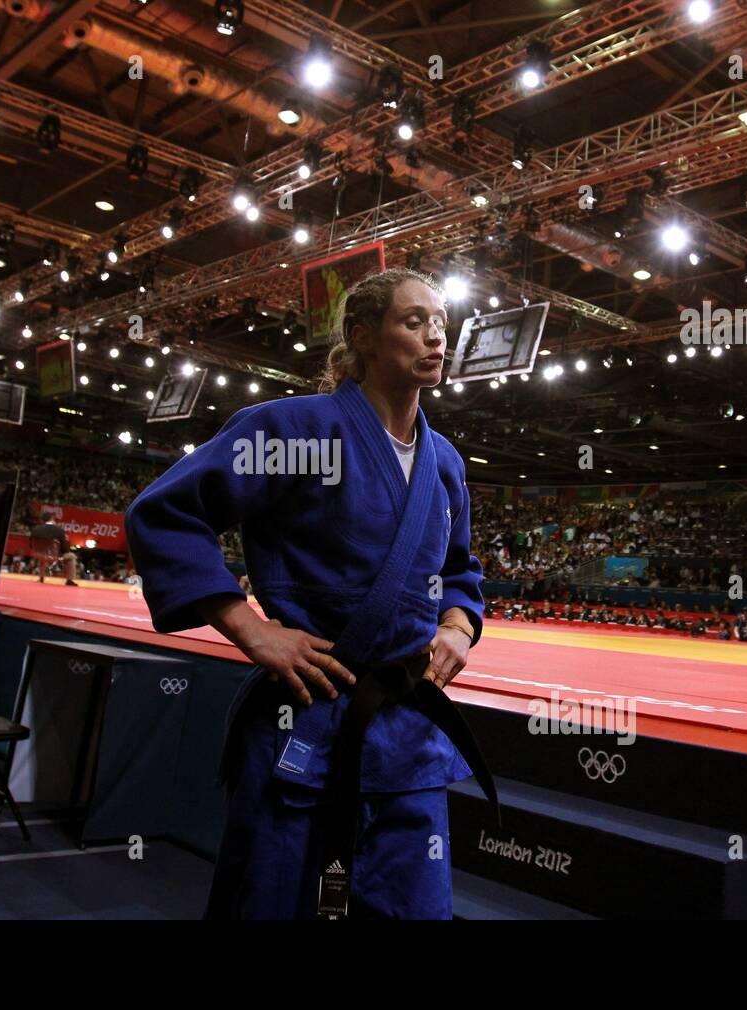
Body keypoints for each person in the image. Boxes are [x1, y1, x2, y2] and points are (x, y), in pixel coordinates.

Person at [125, 267, 492, 920]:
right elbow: (166, 512)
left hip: (408, 736)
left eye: (442, 323)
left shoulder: (445, 463)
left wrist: (459, 626)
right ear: (365, 338)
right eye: (414, 322)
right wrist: (249, 628)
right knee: (271, 907)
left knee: (415, 911)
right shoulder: (294, 432)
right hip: (308, 717)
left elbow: (460, 568)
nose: (437, 336)